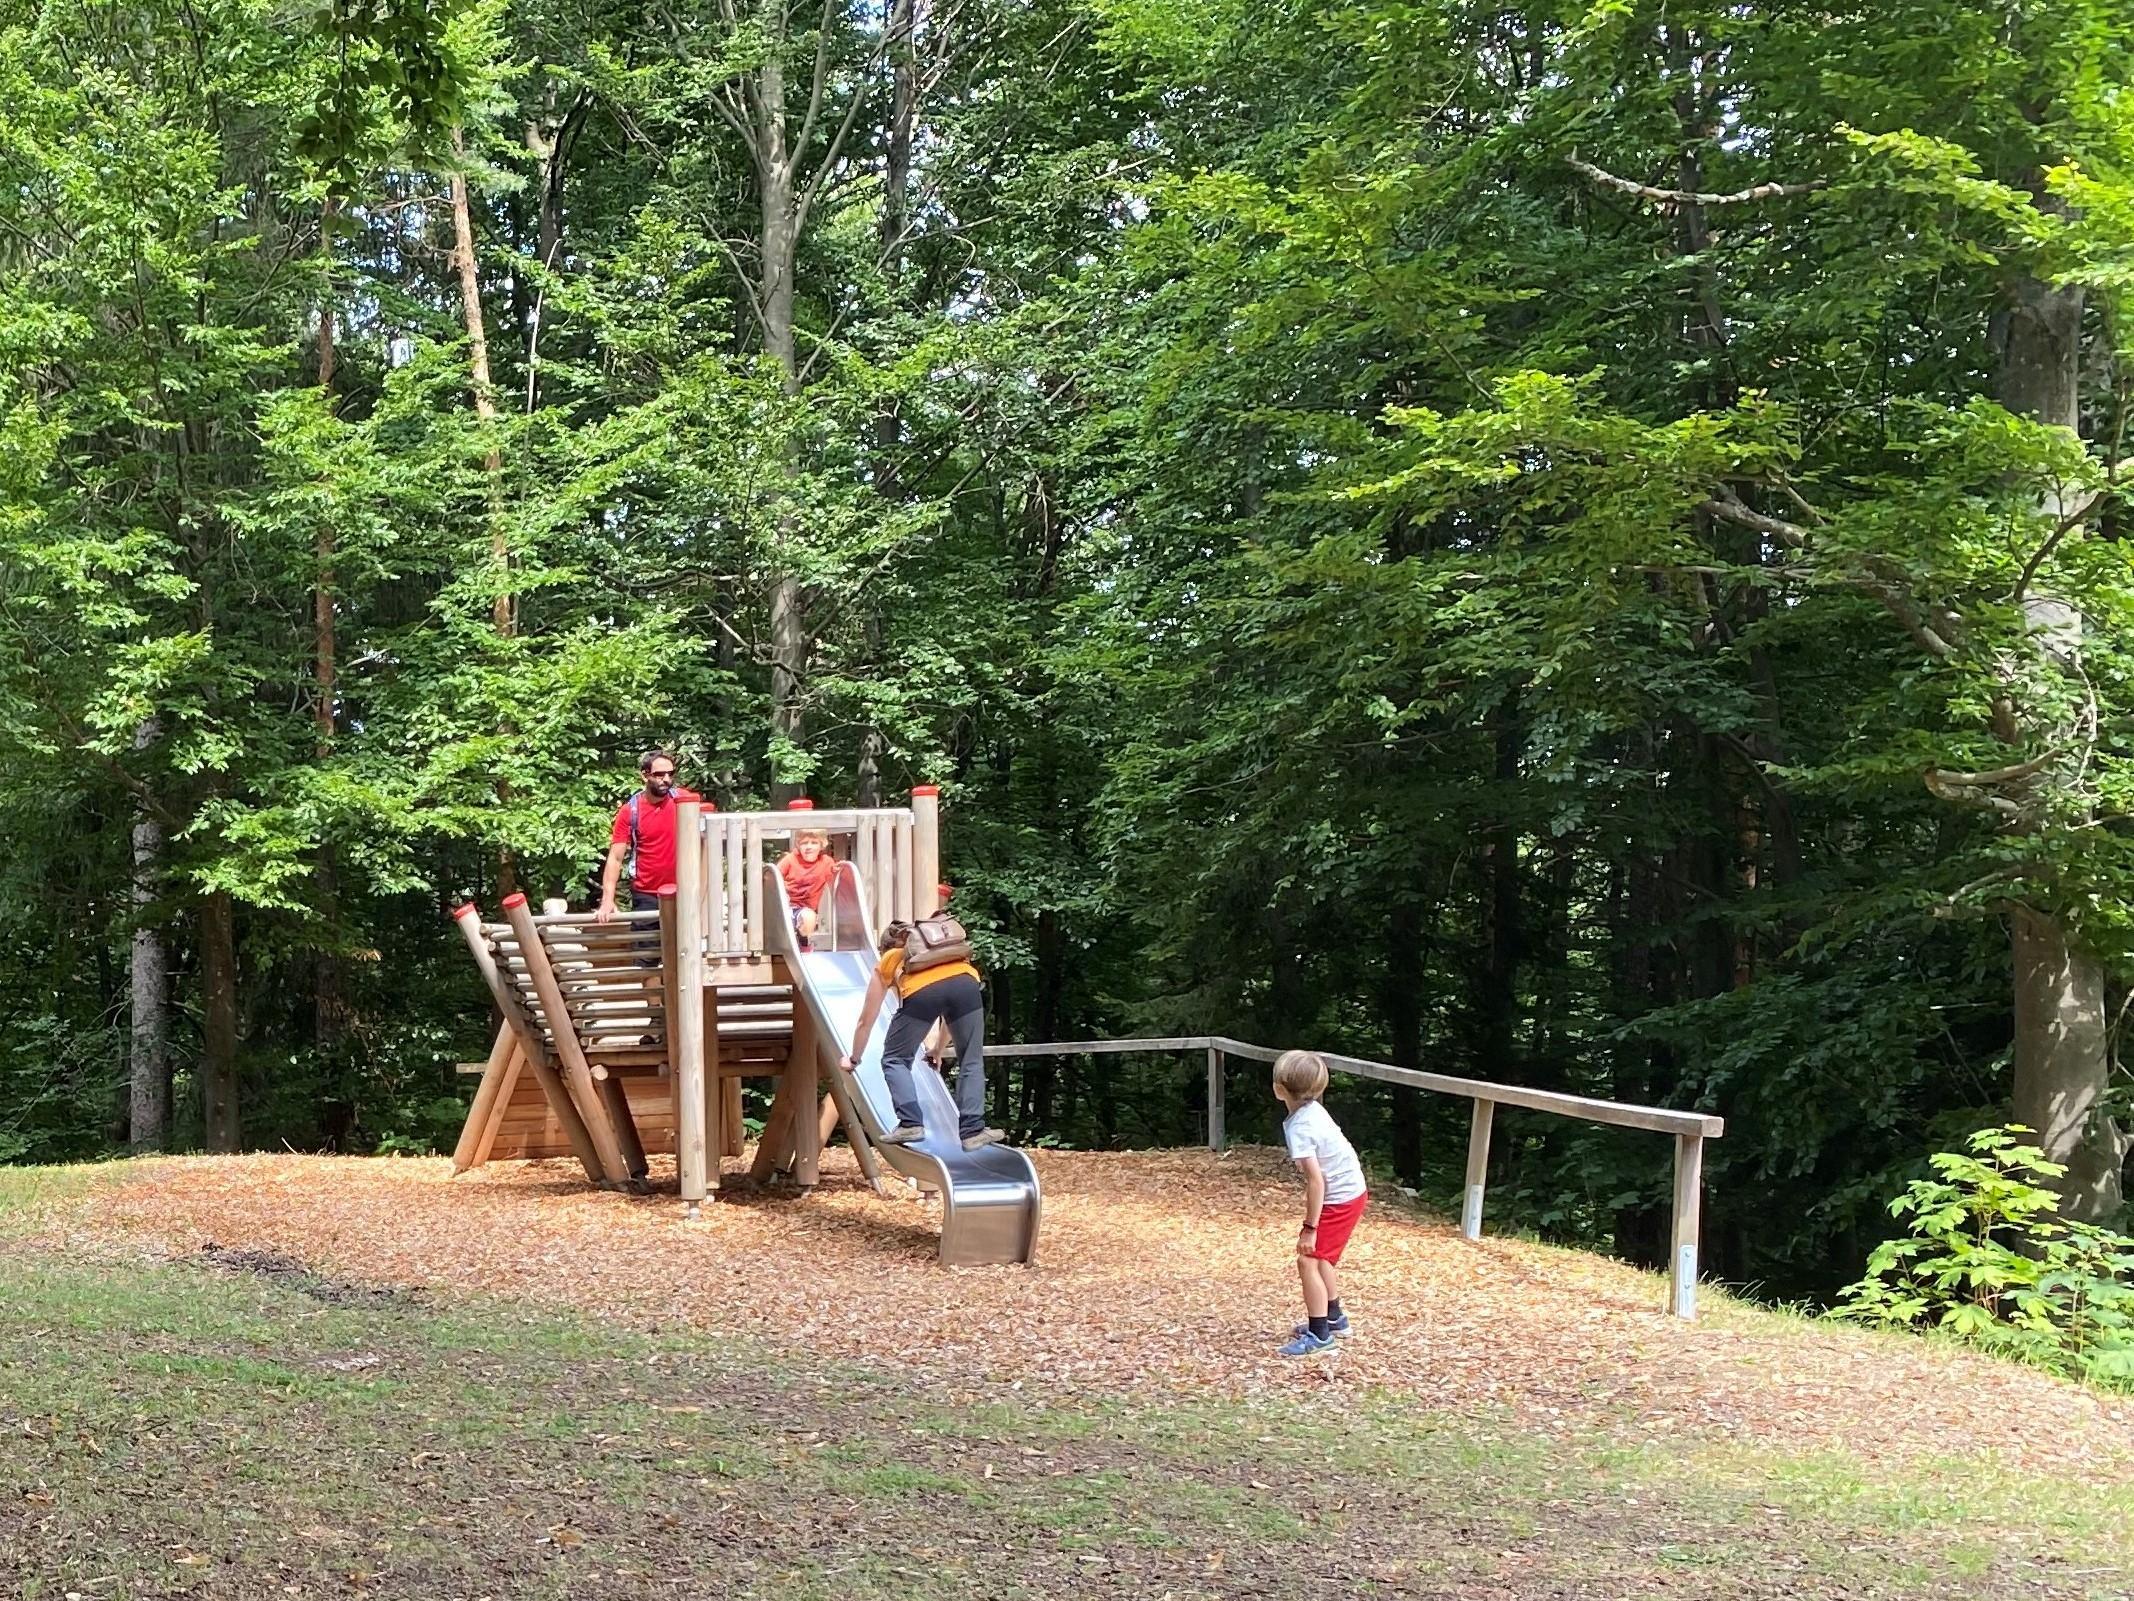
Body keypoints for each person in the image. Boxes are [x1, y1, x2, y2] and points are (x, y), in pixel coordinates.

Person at [838, 918, 1004, 1151]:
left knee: (895, 1059)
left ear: (887, 947)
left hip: (923, 994)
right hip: (966, 985)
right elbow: (949, 1015)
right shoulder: (948, 954)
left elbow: (866, 1019)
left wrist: (854, 1058)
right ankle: (972, 1131)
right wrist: (937, 1049)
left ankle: (910, 1123)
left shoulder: (891, 958)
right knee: (971, 1059)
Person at [1271, 1049, 1367, 1356]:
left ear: (1279, 1090)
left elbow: (1316, 1181)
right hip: (1350, 1191)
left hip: (1340, 1197)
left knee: (1308, 1259)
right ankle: (1335, 1318)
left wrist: (1309, 1228)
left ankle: (1320, 1334)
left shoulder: (1301, 1126)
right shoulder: (1311, 1110)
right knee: (1321, 1258)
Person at [594, 750, 700, 921]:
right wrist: (607, 900)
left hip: (685, 891)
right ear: (645, 776)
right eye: (659, 774)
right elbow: (615, 858)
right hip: (647, 895)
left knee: (685, 945)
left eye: (670, 773)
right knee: (645, 946)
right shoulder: (630, 811)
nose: (666, 779)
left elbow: (709, 833)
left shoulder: (684, 801)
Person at [776, 828, 837, 949]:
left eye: (814, 843)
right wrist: (782, 890)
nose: (808, 847)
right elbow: (773, 877)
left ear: (822, 845)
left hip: (805, 910)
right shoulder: (791, 859)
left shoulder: (826, 862)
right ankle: (794, 943)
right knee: (795, 920)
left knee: (809, 917)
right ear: (798, 845)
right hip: (785, 907)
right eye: (804, 843)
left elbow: (837, 877)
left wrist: (841, 870)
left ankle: (804, 948)